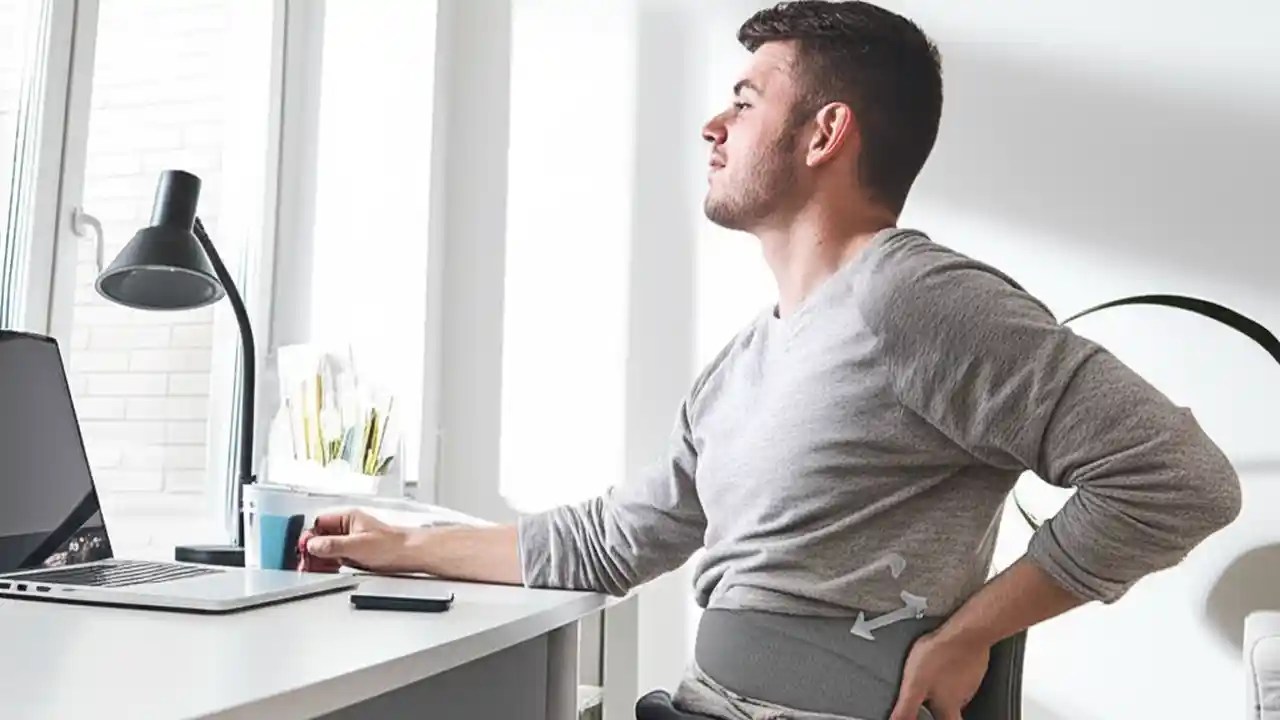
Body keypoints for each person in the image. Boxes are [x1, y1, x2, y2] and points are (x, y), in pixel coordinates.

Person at [304, 2, 1242, 718]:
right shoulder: (747, 359)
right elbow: (613, 541)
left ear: (825, 133)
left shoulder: (912, 299)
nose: (713, 125)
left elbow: (1179, 478)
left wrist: (970, 636)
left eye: (746, 102)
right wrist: (399, 547)